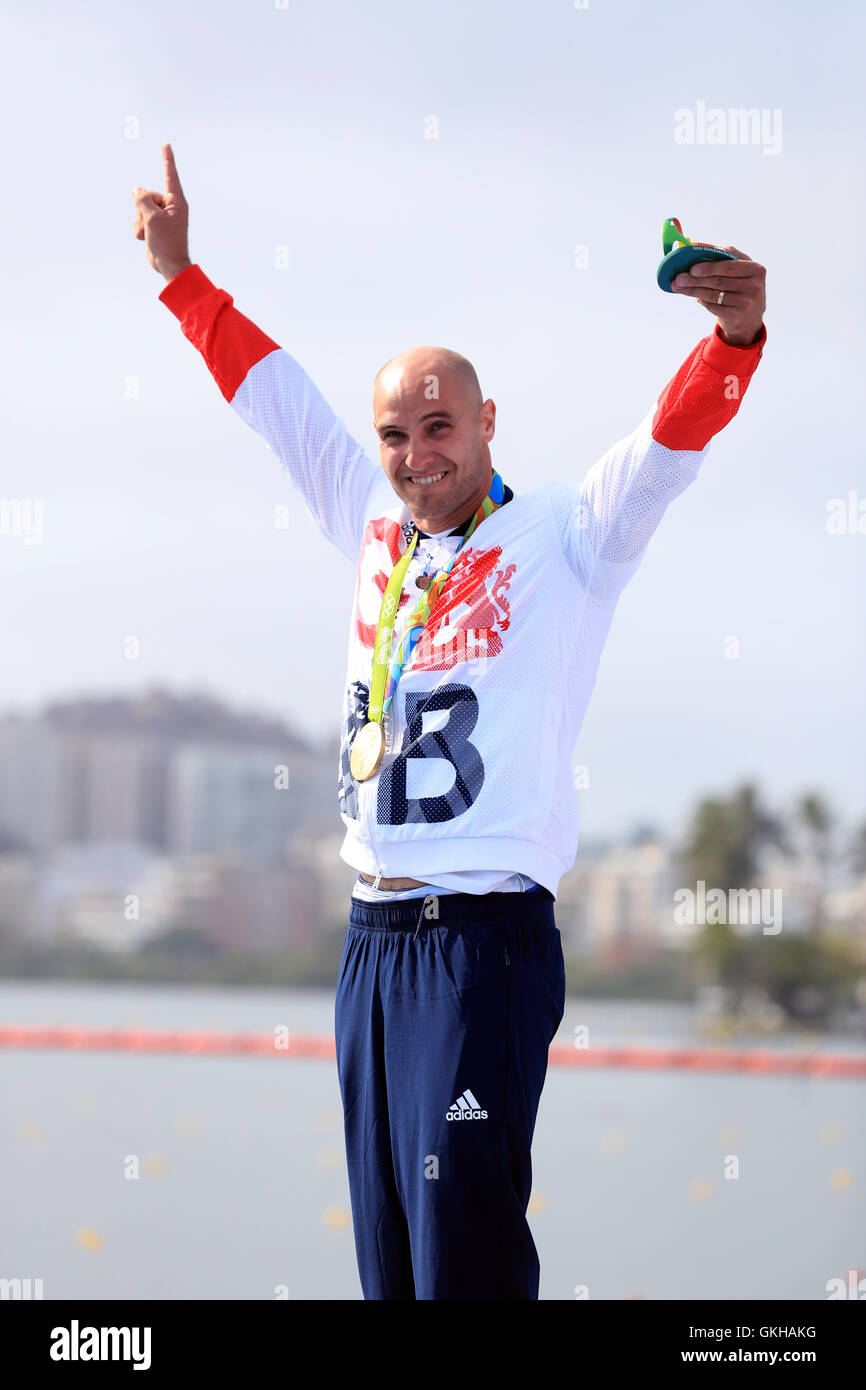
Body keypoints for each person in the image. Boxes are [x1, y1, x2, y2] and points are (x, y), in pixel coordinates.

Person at [132, 142, 767, 1301]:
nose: (415, 457)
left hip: (482, 941)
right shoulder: (370, 524)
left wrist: (729, 342)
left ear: (485, 422)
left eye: (437, 428)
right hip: (370, 943)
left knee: (460, 1254)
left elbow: (671, 444)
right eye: (393, 436)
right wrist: (183, 277)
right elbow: (272, 399)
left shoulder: (571, 536)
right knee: (388, 1263)